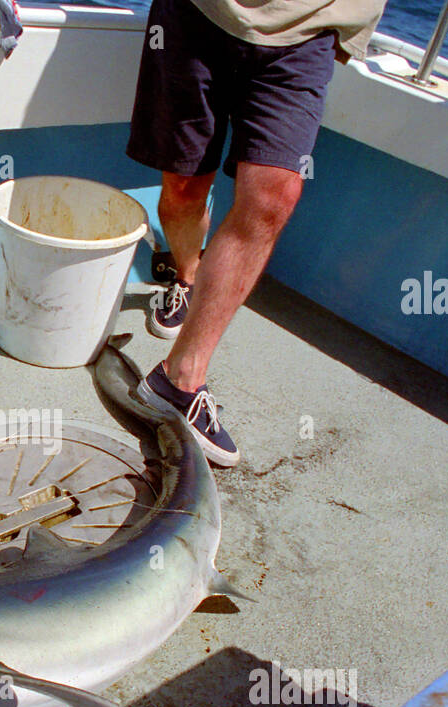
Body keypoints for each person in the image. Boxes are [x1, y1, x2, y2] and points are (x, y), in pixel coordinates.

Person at [127, 0, 387, 467]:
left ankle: (180, 378)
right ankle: (185, 279)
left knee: (275, 196)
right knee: (185, 185)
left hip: (307, 31)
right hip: (201, 12)